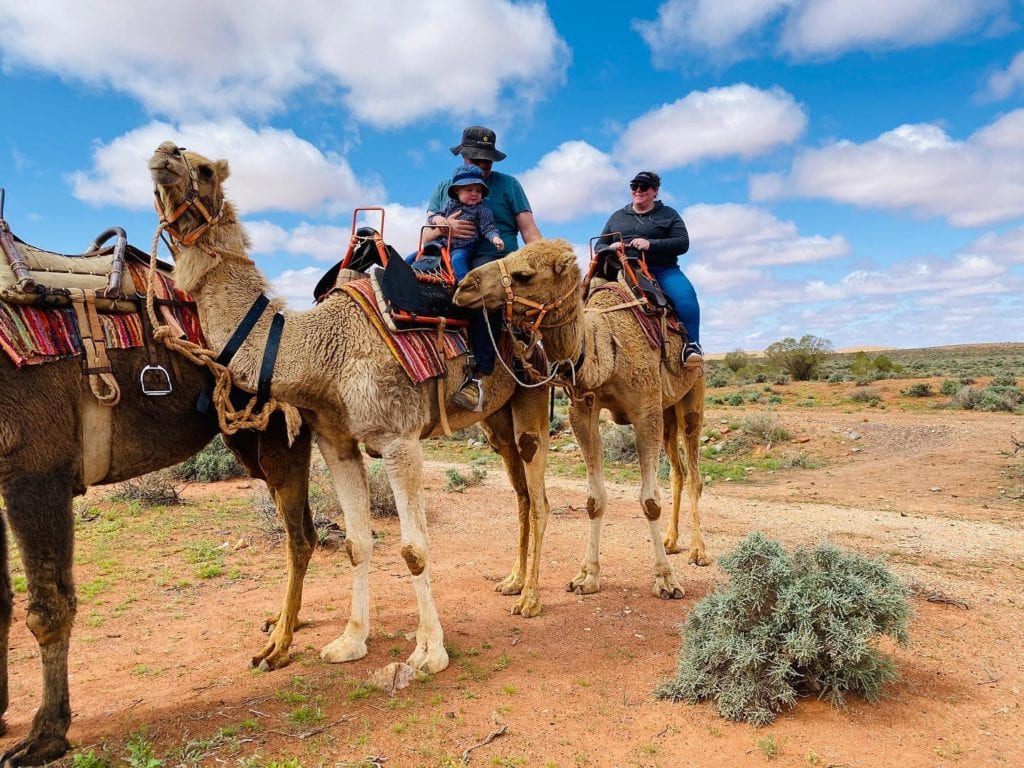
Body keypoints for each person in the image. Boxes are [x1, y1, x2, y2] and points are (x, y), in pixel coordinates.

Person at [423, 126, 543, 410]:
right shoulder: (445, 187)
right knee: (405, 271)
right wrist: (445, 225)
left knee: (477, 297)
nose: (483, 165)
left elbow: (529, 231)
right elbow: (427, 233)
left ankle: (478, 377)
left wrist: (540, 262)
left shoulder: (509, 185)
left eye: (487, 160)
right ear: (464, 157)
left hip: (495, 257)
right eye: (476, 159)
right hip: (450, 250)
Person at [594, 170, 703, 365]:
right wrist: (611, 247)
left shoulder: (668, 214)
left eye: (643, 187)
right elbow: (599, 245)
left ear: (655, 191)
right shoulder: (618, 216)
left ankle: (692, 345)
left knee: (685, 296)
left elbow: (682, 243)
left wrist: (650, 244)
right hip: (620, 270)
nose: (638, 190)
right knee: (585, 295)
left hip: (662, 269)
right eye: (634, 186)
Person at [430, 163, 504, 279]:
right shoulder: (449, 204)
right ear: (456, 190)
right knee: (414, 257)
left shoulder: (481, 208)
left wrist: (495, 238)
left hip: (464, 246)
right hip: (442, 245)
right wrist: (437, 218)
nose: (474, 193)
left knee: (458, 259)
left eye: (478, 191)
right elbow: (433, 217)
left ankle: (464, 286)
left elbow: (488, 227)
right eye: (469, 190)